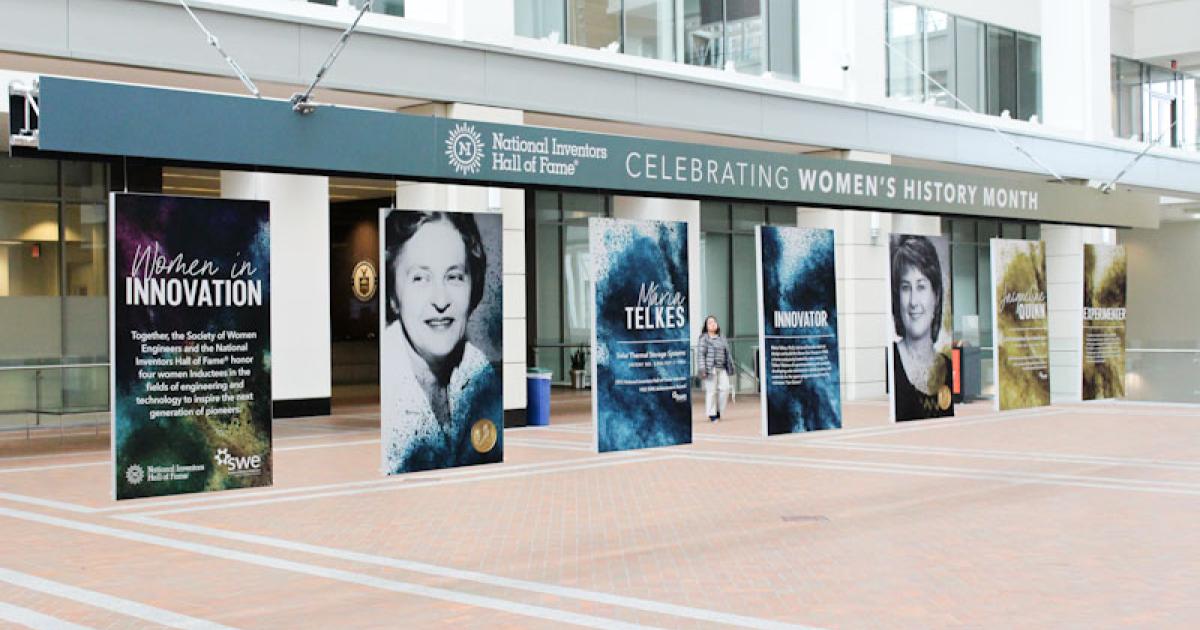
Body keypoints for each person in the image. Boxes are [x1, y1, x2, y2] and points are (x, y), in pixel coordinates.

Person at [382, 211, 501, 474]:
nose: (440, 299)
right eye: (420, 278)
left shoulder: (479, 373)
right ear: (393, 296)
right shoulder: (386, 387)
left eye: (454, 276)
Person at [890, 235, 953, 421]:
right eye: (905, 287)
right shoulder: (891, 363)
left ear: (936, 296)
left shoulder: (948, 368)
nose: (913, 302)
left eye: (921, 287)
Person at [696, 315, 734, 422]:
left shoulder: (722, 337)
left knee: (725, 389)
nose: (713, 324)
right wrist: (702, 369)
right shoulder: (704, 338)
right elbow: (700, 355)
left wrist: (730, 366)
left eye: (714, 322)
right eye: (710, 322)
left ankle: (719, 411)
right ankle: (711, 414)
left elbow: (727, 353)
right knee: (711, 391)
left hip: (722, 368)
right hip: (710, 369)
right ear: (706, 326)